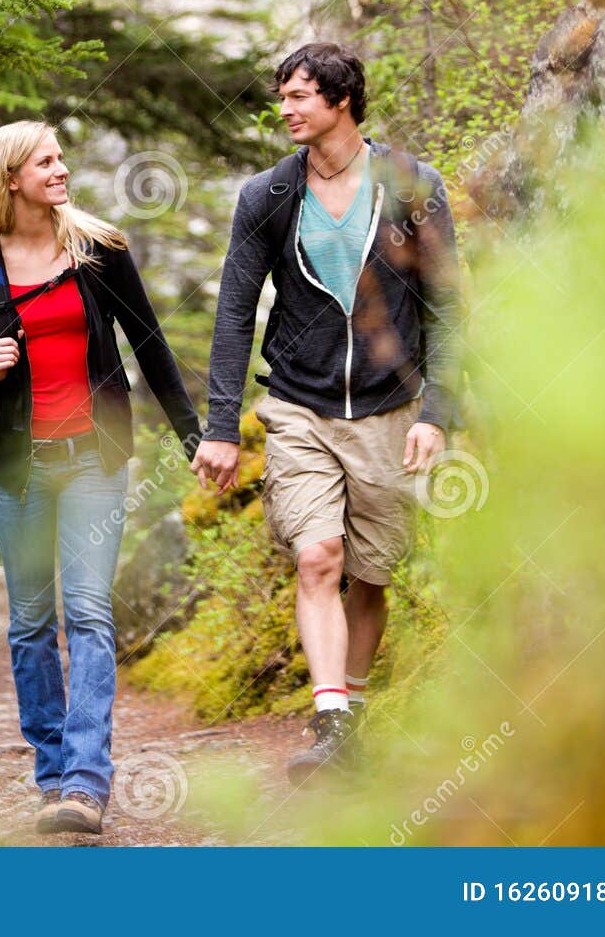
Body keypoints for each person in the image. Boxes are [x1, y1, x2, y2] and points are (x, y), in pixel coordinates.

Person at [189, 42, 462, 782]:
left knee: (372, 574)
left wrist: (438, 410)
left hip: (389, 410)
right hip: (299, 405)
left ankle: (356, 714)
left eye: (300, 95)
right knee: (318, 555)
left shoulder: (413, 186)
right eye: (282, 95)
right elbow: (235, 314)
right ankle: (331, 717)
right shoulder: (270, 197)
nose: (285, 109)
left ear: (341, 99)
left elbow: (450, 309)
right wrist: (219, 427)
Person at [0, 120, 202, 834]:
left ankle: (85, 778)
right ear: (11, 176)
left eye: (61, 157)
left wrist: (196, 435)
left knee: (88, 612)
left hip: (92, 461)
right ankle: (51, 773)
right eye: (46, 161)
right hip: (15, 471)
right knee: (30, 623)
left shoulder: (97, 251)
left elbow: (150, 344)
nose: (61, 168)